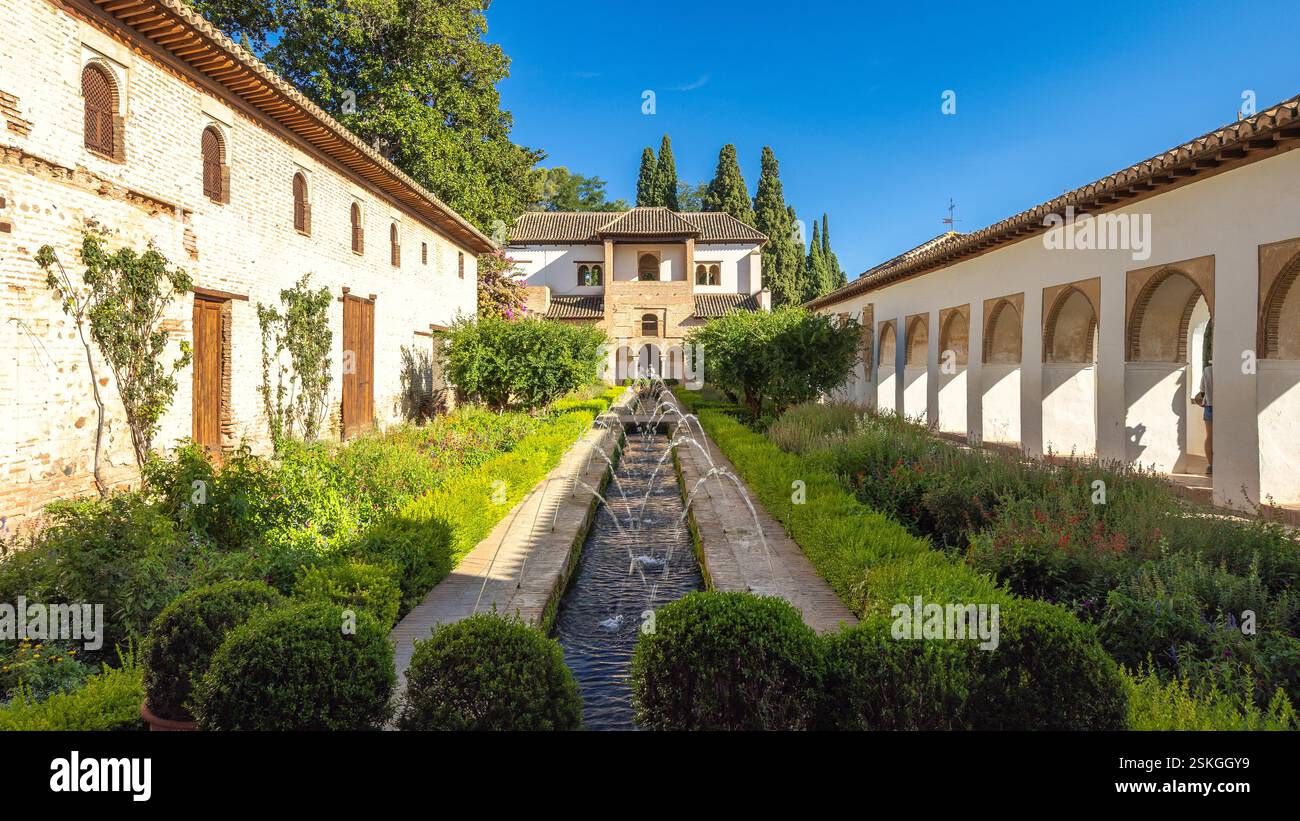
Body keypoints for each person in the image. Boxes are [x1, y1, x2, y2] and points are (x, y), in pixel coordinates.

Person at [1193, 362, 1213, 475]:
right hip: (1226, 407)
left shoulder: (1207, 370)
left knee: (1209, 436)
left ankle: (1211, 465)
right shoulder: (1228, 369)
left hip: (1209, 406)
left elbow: (1202, 390)